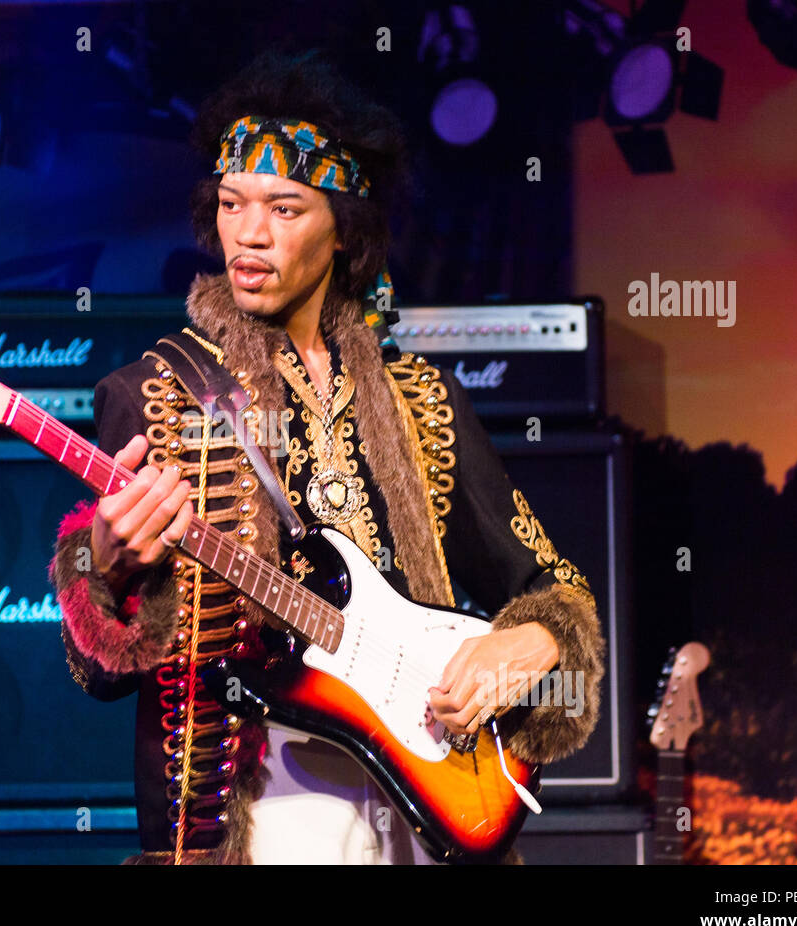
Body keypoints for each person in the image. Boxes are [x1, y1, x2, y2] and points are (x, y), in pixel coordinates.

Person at [48, 49, 604, 864]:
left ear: (345, 227)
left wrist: (525, 646)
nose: (250, 232)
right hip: (264, 806)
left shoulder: (424, 400)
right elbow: (100, 673)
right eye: (232, 203)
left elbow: (555, 587)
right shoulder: (154, 394)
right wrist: (106, 569)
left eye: (284, 206)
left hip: (426, 797)